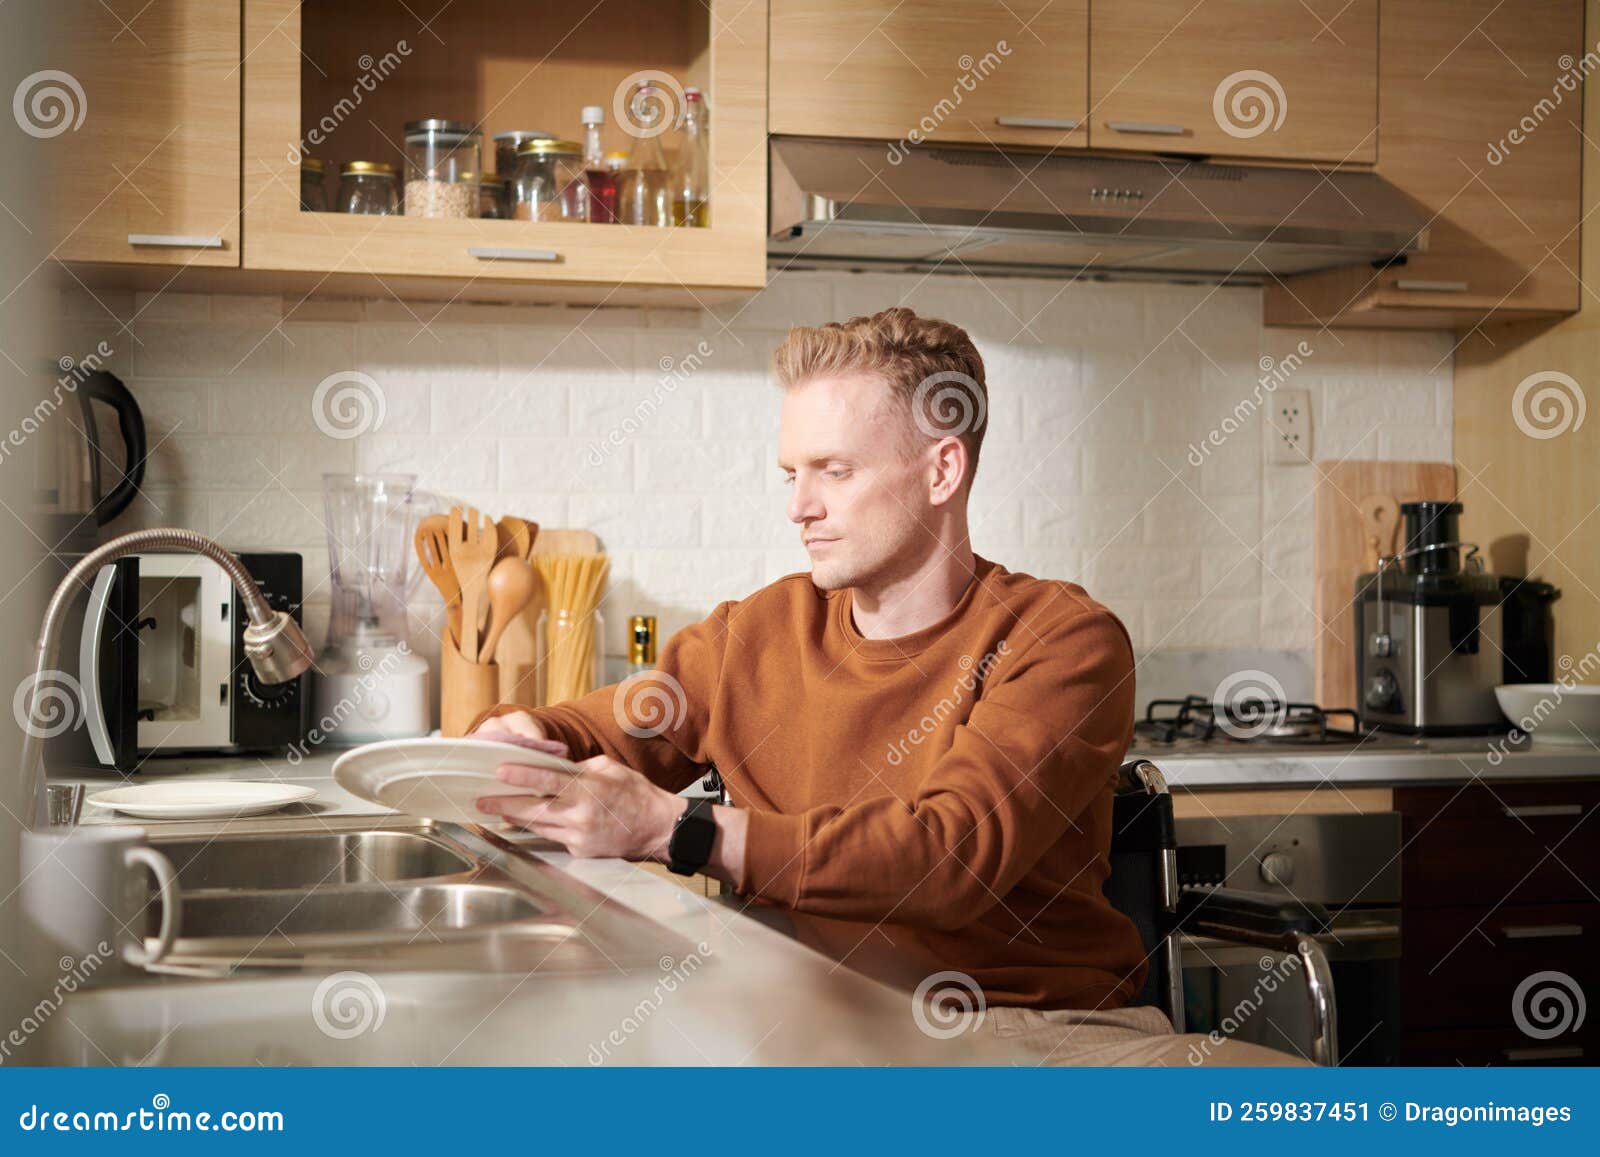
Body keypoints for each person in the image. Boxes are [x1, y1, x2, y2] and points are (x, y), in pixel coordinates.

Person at [469, 307, 1304, 1066]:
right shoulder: (752, 635)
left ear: (942, 471)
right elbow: (597, 730)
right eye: (789, 473)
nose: (799, 506)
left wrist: (674, 830)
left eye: (832, 471)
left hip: (1039, 1036)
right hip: (813, 1027)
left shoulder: (1062, 640)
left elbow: (946, 857)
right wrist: (517, 732)